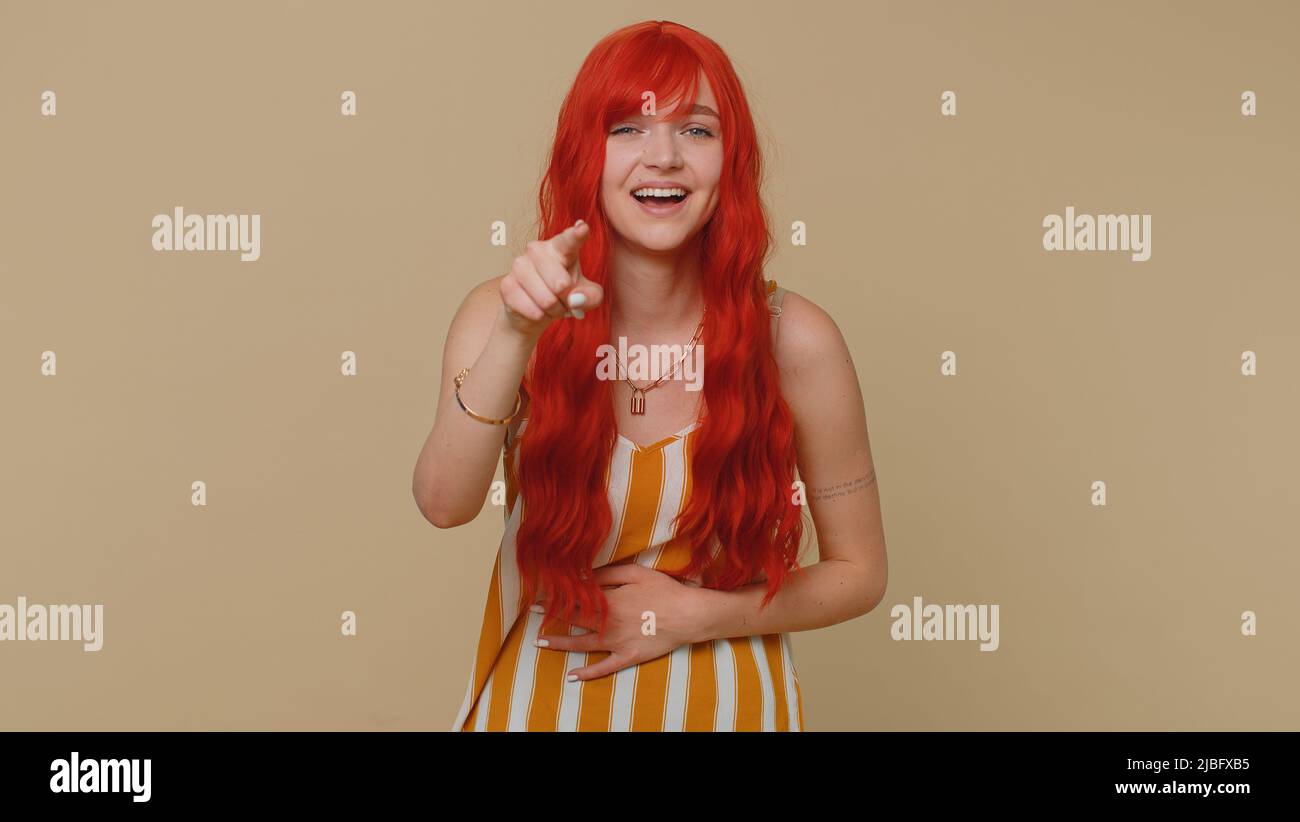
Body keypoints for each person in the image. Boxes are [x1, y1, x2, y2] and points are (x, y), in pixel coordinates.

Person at [412, 19, 887, 731]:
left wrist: (695, 614)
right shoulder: (503, 313)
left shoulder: (797, 339)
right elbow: (444, 503)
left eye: (696, 130)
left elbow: (861, 573)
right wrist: (517, 335)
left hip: (729, 706)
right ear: (585, 154)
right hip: (537, 706)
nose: (663, 157)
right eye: (628, 127)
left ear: (731, 159)